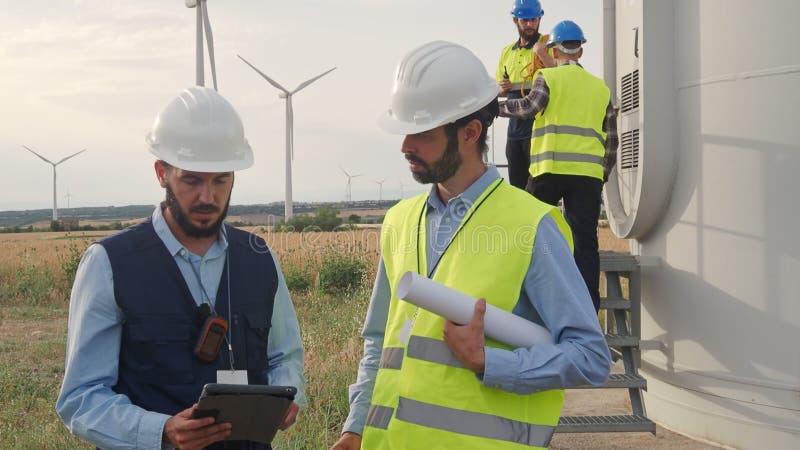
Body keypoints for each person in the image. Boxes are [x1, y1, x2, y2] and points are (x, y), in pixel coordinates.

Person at [330, 41, 610, 450]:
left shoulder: (531, 225)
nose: (406, 145)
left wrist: (491, 362)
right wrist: (355, 429)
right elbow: (379, 341)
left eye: (422, 132)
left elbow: (590, 357)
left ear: (470, 132)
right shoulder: (399, 221)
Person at [56, 86, 305, 450]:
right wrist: (161, 430)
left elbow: (285, 355)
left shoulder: (259, 256)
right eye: (192, 179)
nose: (208, 196)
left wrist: (287, 396)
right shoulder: (110, 263)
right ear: (161, 172)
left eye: (221, 180)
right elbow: (81, 398)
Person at [500, 20, 619, 313]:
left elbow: (528, 107)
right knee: (585, 242)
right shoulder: (600, 88)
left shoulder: (547, 78)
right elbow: (612, 140)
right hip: (588, 177)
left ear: (554, 50)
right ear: (580, 52)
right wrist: (600, 174)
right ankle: (588, 308)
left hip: (548, 171)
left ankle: (524, 301)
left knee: (530, 231)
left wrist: (495, 107)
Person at [497, 0, 555, 189]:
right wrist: (501, 89)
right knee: (517, 187)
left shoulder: (548, 45)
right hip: (514, 131)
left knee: (539, 187)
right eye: (525, 20)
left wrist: (543, 55)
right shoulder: (506, 52)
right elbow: (496, 90)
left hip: (539, 130)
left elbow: (559, 76)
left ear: (539, 19)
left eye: (533, 20)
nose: (529, 24)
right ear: (515, 21)